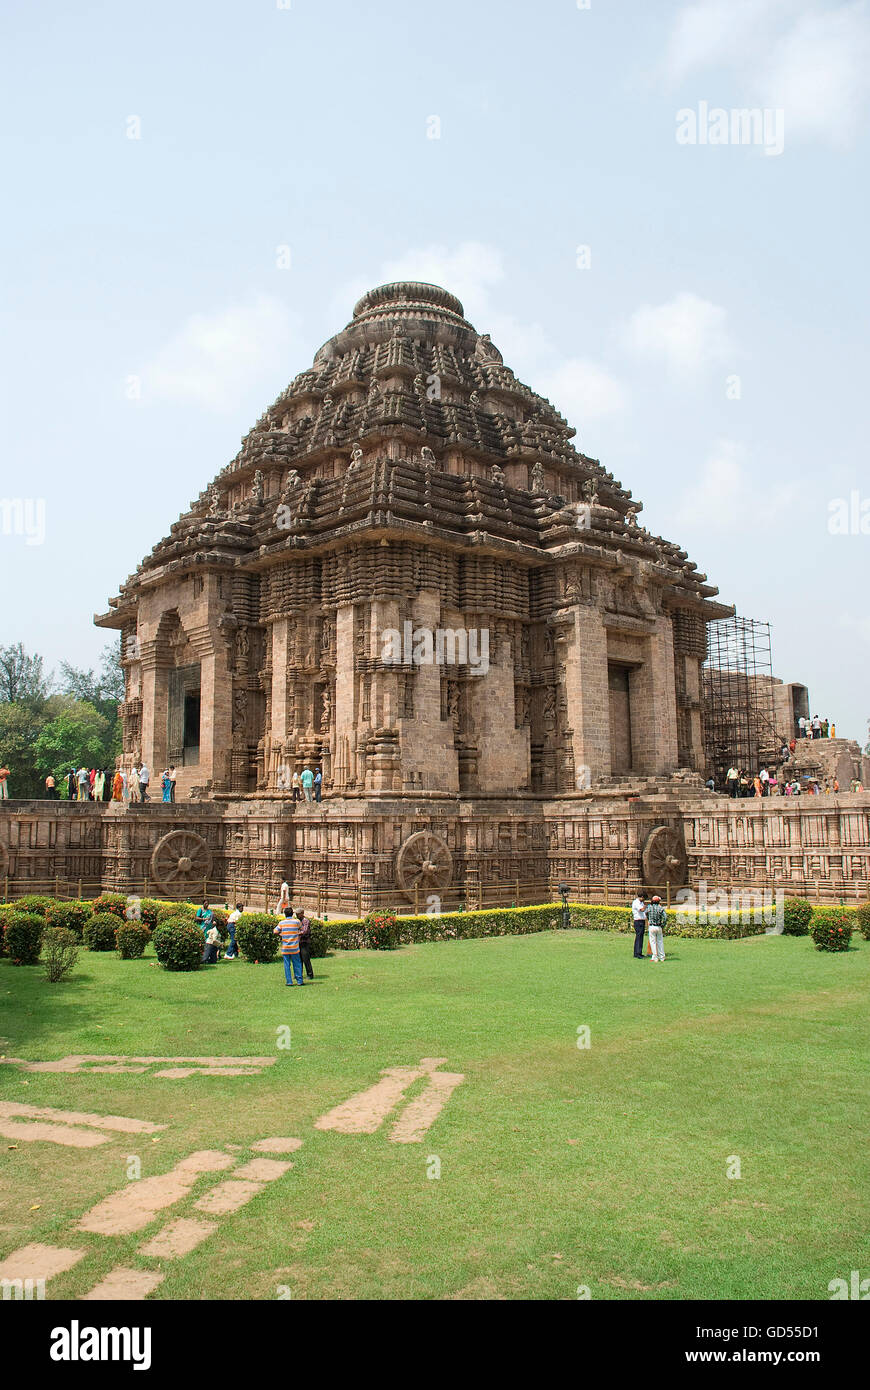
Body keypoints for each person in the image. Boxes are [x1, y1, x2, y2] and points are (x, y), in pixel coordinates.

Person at [274, 908, 304, 986]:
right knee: (297, 964)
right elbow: (302, 929)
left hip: (285, 948)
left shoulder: (282, 923)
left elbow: (275, 931)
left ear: (285, 914)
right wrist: (297, 933)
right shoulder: (297, 922)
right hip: (295, 947)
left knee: (287, 965)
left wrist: (281, 934)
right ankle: (299, 981)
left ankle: (289, 981)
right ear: (292, 914)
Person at [295, 905, 314, 979]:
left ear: (302, 913)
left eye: (298, 914)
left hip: (304, 942)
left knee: (306, 959)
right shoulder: (297, 921)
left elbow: (305, 931)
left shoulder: (305, 921)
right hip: (298, 942)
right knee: (298, 960)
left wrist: (297, 933)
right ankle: (299, 974)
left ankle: (310, 974)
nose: (296, 915)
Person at [647, 896, 667, 963]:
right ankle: (662, 957)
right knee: (660, 942)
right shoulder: (660, 908)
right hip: (658, 926)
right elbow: (665, 917)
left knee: (653, 942)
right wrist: (663, 924)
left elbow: (646, 913)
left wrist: (649, 919)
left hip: (652, 926)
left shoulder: (649, 907)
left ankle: (655, 957)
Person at [630, 892, 648, 960]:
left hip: (641, 921)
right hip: (638, 921)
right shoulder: (636, 902)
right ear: (642, 897)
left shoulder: (641, 903)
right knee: (639, 937)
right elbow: (642, 910)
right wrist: (646, 906)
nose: (644, 900)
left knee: (640, 937)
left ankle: (638, 952)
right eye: (644, 898)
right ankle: (637, 953)